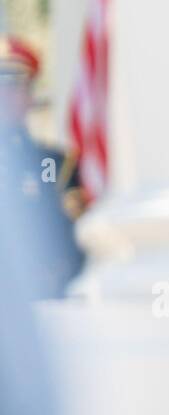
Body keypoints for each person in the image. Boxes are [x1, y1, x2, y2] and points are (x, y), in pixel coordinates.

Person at [0, 35, 84, 298]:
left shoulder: (53, 164)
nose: (5, 95)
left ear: (29, 95)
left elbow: (69, 244)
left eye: (13, 85)